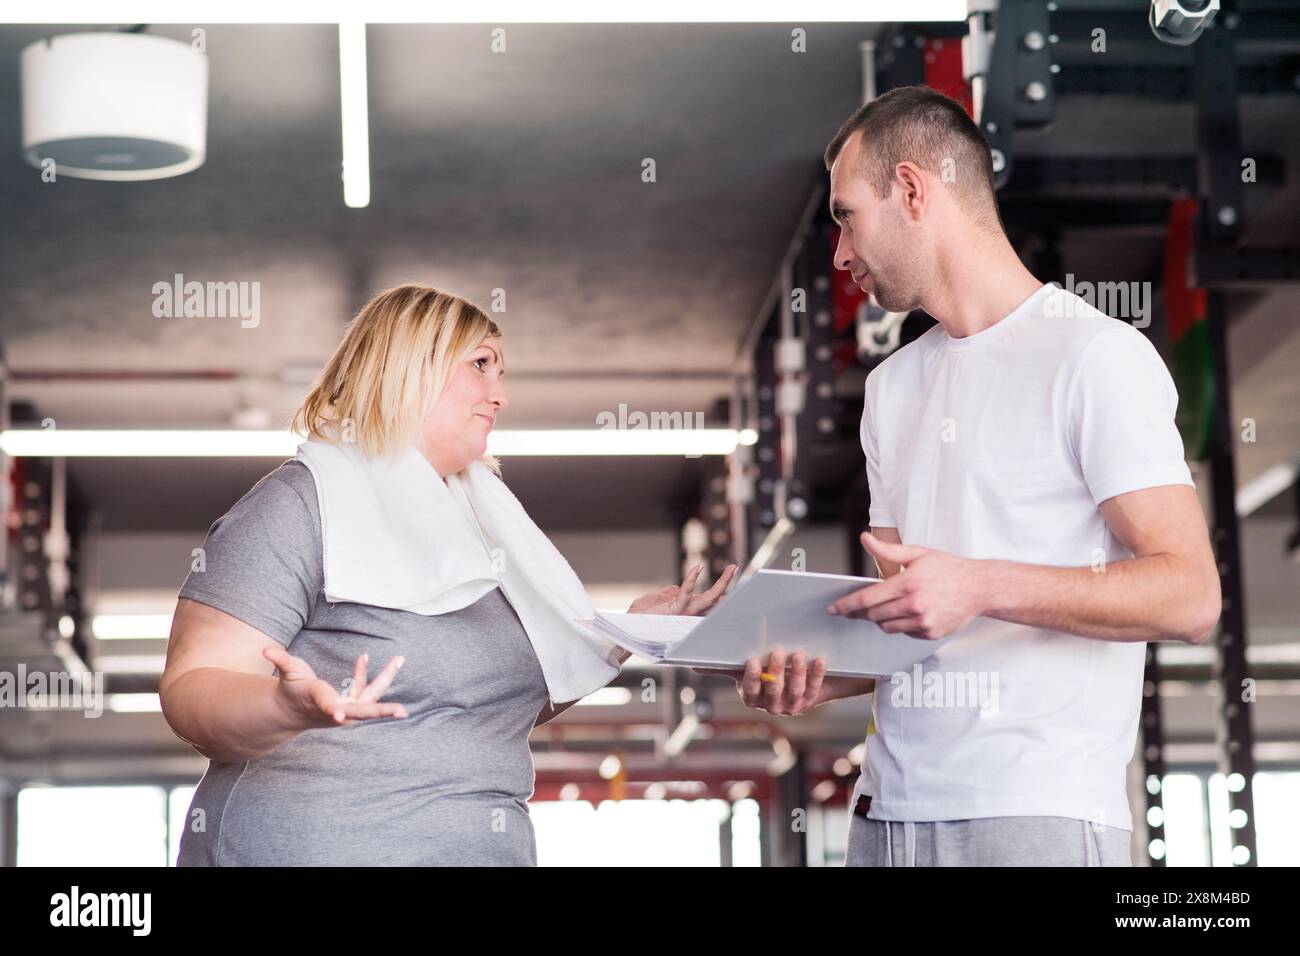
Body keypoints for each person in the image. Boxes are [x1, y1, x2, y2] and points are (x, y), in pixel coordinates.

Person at [717, 86, 1220, 867]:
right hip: (887, 819)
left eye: (847, 216)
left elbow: (1190, 596)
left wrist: (981, 584)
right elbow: (904, 622)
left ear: (913, 190)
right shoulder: (892, 389)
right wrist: (802, 666)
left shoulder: (1094, 356)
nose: (841, 253)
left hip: (1033, 818)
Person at [160, 283, 736, 866]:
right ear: (410, 366)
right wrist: (284, 708)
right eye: (480, 365)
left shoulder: (484, 524)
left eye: (501, 373)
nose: (499, 396)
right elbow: (190, 689)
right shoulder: (299, 503)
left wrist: (627, 634)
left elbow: (482, 707)